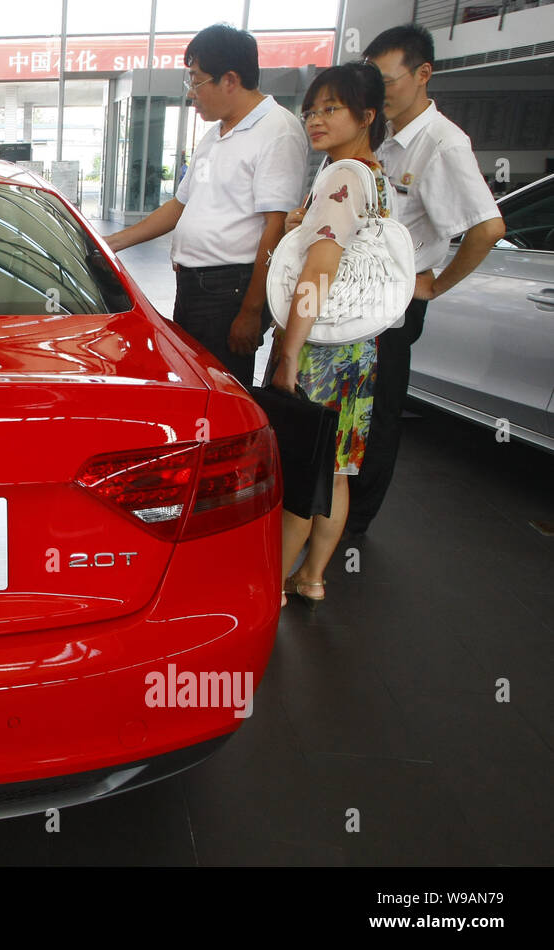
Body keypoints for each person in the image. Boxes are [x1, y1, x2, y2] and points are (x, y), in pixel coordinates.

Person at [345, 25, 505, 536]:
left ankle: (355, 523)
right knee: (352, 405)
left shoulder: (442, 143)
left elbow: (488, 228)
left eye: (388, 80)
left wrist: (433, 285)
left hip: (395, 302)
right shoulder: (389, 137)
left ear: (423, 74)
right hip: (360, 297)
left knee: (378, 412)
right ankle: (335, 512)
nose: (379, 91)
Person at [104, 24, 308, 387]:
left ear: (230, 79)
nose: (191, 94)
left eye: (196, 81)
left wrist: (251, 311)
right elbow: (180, 205)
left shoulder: (278, 131)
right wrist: (112, 243)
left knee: (220, 387)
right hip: (194, 286)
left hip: (231, 291)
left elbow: (275, 228)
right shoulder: (216, 134)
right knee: (192, 381)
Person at [271, 62, 395, 609]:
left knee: (303, 470)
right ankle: (313, 577)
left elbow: (318, 269)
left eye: (331, 108)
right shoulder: (376, 176)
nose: (315, 120)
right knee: (337, 468)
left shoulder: (340, 176)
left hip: (320, 347)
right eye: (310, 110)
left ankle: (272, 582)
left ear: (366, 116)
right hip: (359, 347)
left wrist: (289, 352)